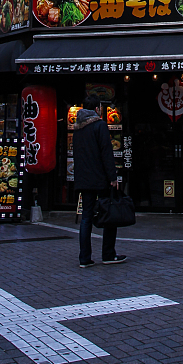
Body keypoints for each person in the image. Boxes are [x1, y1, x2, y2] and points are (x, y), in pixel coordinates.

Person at [72, 107, 125, 268]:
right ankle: (108, 254)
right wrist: (113, 177)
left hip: (84, 179)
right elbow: (106, 152)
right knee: (109, 213)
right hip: (100, 178)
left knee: (86, 218)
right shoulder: (100, 125)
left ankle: (84, 258)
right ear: (96, 109)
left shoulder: (77, 129)